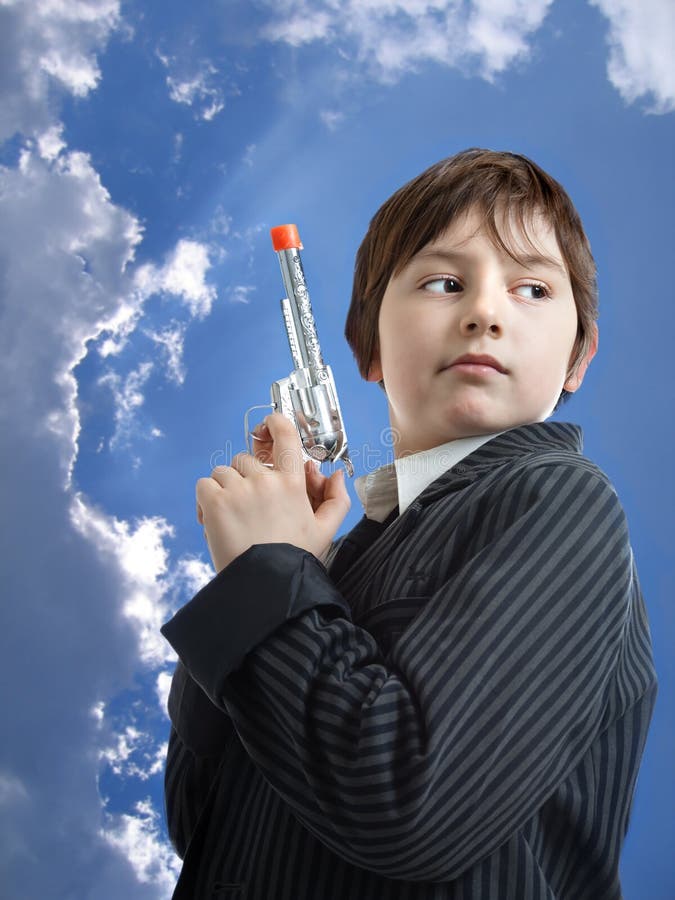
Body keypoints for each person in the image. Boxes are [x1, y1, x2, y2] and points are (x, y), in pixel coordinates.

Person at [161, 149, 657, 899]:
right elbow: (199, 825)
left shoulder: (555, 497)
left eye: (531, 289)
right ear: (366, 348)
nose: (484, 312)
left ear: (576, 360)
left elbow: (411, 809)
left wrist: (269, 580)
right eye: (443, 282)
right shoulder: (326, 565)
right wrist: (260, 575)